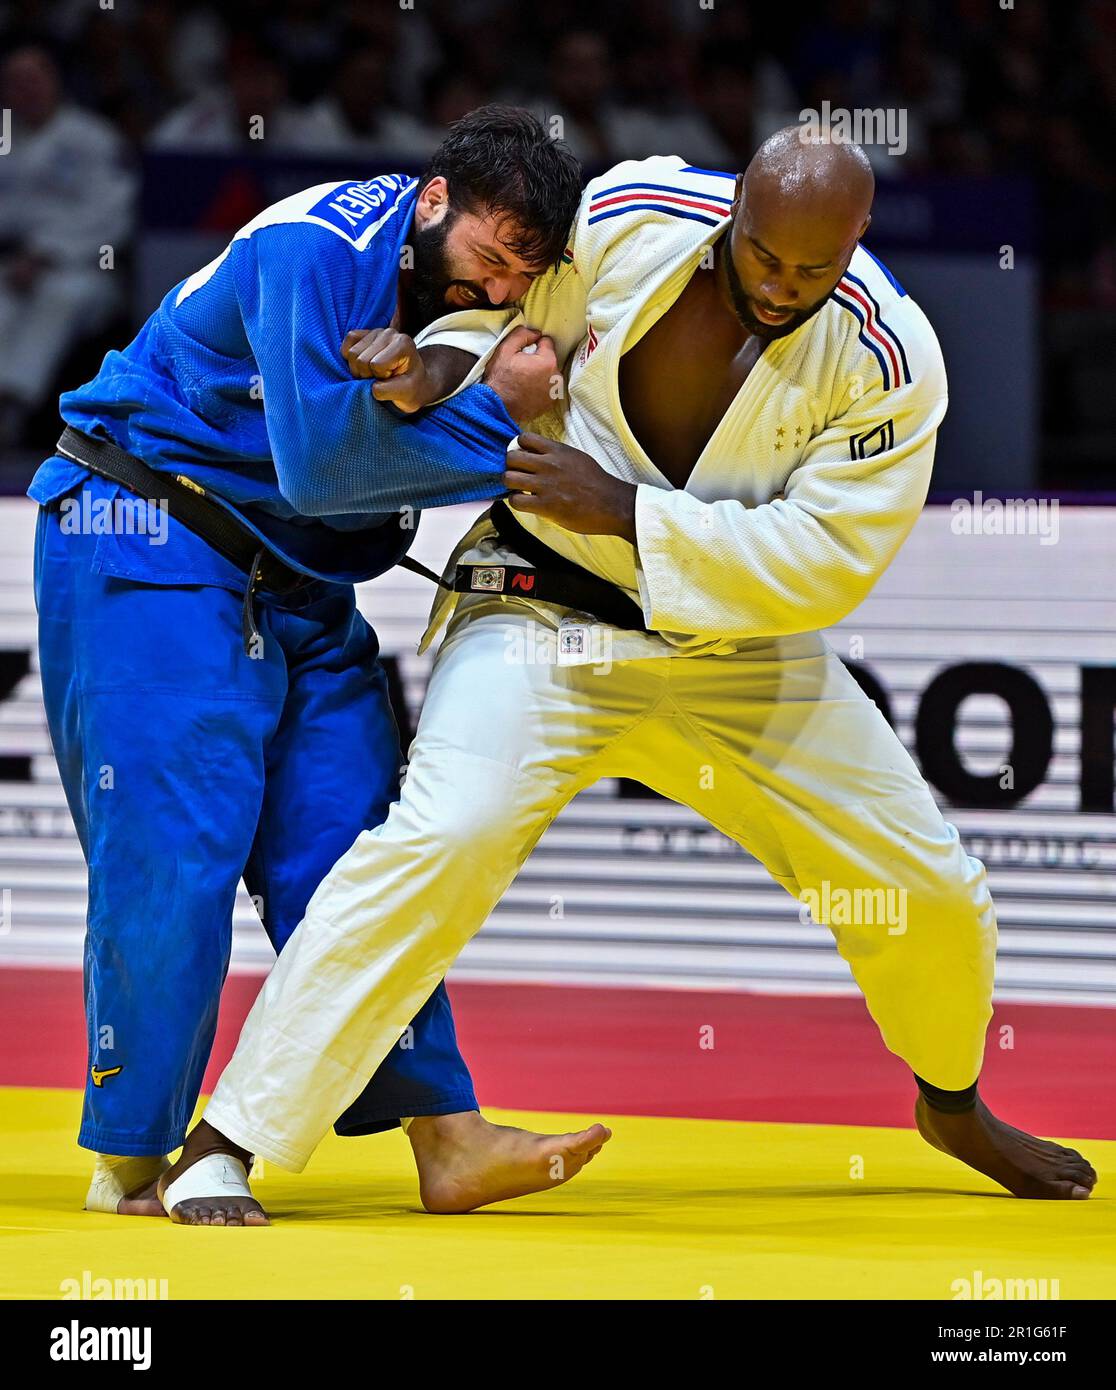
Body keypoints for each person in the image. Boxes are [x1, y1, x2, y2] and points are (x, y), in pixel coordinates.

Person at [159, 129, 1096, 1224]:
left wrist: (629, 512)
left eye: (815, 270)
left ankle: (952, 1099)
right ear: (733, 209)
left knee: (928, 886)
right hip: (539, 606)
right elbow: (506, 318)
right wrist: (435, 369)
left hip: (733, 647)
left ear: (858, 244)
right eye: (764, 258)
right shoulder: (636, 211)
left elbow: (823, 563)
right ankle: (231, 1139)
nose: (785, 288)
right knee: (442, 834)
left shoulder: (892, 361)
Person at [31, 106, 609, 1224]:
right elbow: (323, 471)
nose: (498, 291)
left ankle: (448, 1137)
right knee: (174, 852)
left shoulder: (463, 282)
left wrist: (445, 373)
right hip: (148, 537)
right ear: (433, 200)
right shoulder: (315, 245)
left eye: (518, 276)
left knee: (361, 855)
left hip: (296, 580)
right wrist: (494, 422)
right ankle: (140, 1159)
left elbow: (427, 382)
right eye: (489, 260)